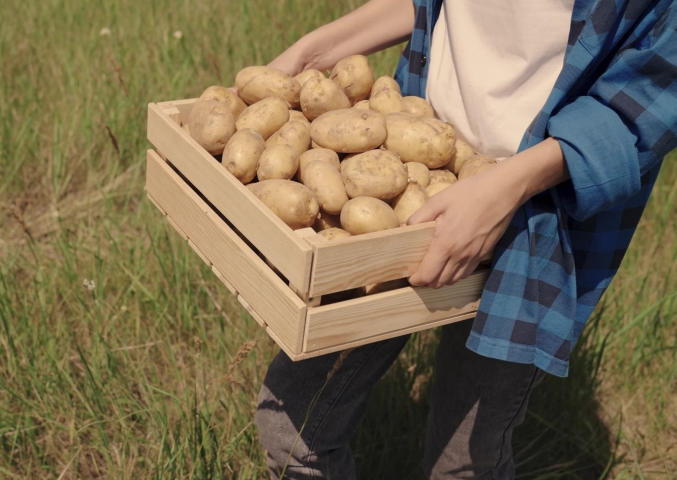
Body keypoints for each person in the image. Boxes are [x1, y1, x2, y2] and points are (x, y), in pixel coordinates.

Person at [252, 0, 677, 478]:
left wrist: (506, 187)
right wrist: (313, 53)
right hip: (406, 157)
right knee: (292, 425)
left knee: (463, 464)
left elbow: (655, 89)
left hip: (539, 214)